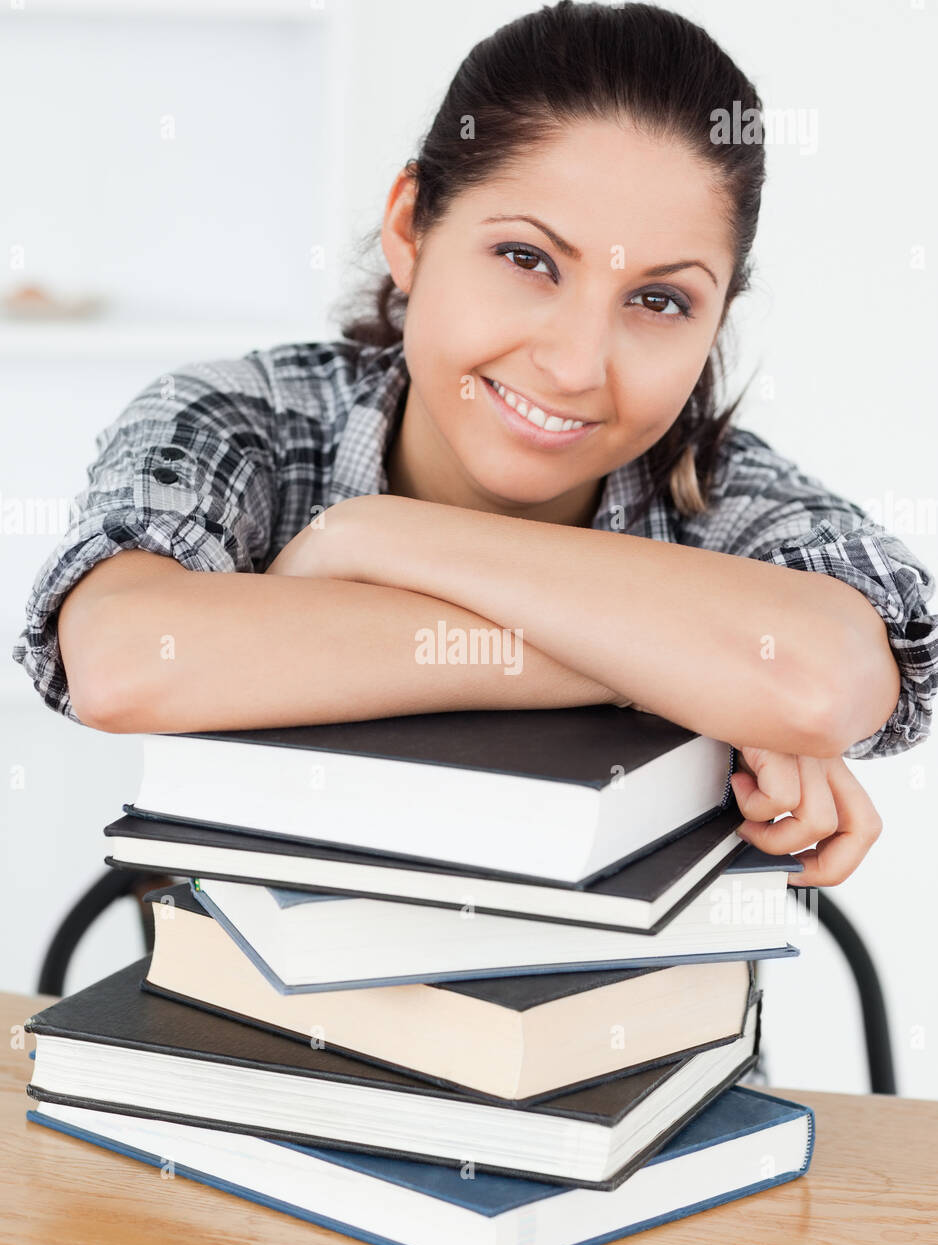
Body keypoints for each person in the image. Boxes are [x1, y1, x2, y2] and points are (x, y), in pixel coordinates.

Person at [11, 2, 936, 889]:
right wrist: (668, 673)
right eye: (528, 259)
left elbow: (824, 681)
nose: (576, 364)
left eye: (659, 301)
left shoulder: (718, 489)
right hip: (249, 1031)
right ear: (412, 228)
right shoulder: (242, 415)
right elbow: (127, 657)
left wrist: (377, 536)